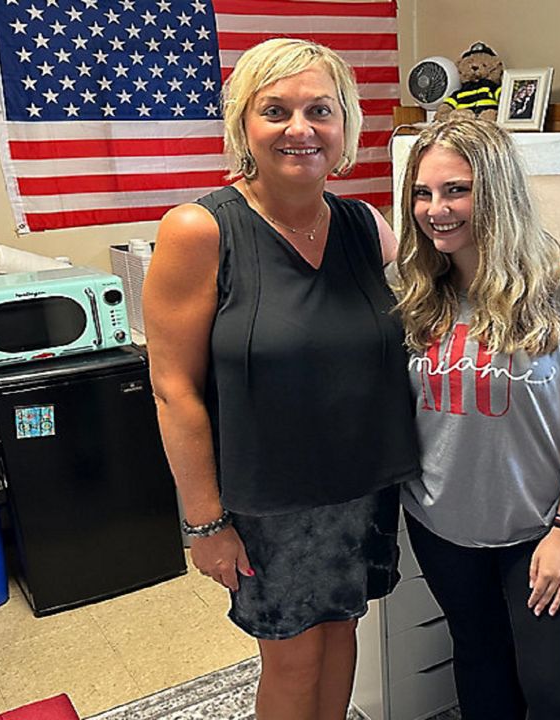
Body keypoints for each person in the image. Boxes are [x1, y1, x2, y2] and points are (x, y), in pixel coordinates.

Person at [143, 38, 419, 720]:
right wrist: (205, 523)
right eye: (276, 111)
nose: (300, 129)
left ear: (345, 126)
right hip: (270, 500)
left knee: (344, 631)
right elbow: (173, 388)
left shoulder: (364, 225)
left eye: (319, 110)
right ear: (244, 126)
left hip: (363, 484)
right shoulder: (200, 230)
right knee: (292, 659)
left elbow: (437, 301)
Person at [390, 116, 560, 720]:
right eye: (422, 193)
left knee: (555, 694)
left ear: (497, 191)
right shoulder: (409, 291)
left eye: (456, 190)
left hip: (546, 531)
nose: (436, 209)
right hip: (441, 526)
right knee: (478, 664)